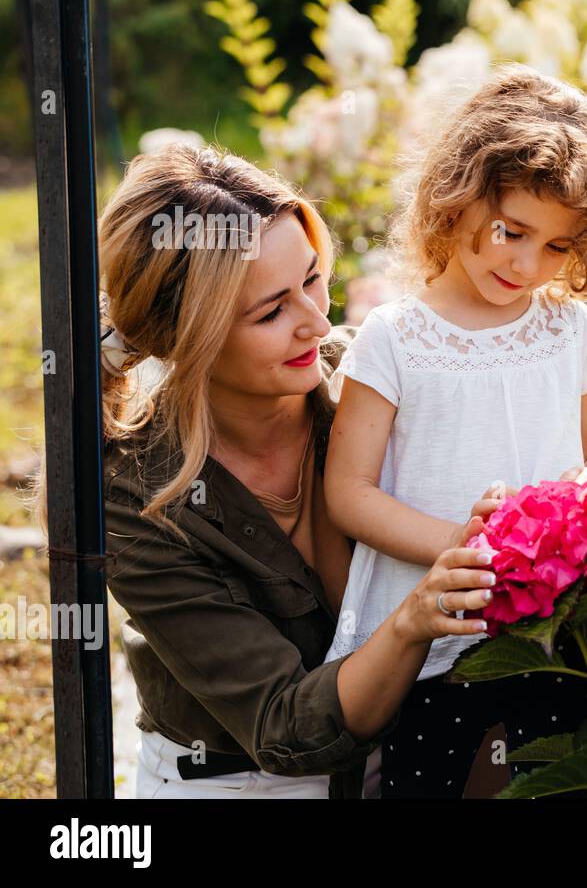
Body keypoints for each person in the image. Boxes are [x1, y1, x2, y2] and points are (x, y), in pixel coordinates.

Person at [70, 144, 507, 797]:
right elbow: (282, 727)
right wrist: (413, 620)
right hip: (234, 781)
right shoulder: (137, 494)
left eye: (312, 278)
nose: (316, 321)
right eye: (271, 312)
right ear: (191, 341)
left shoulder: (365, 385)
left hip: (395, 759)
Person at [322, 62, 587, 797]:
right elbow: (348, 492)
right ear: (457, 197)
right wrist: (462, 548)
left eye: (558, 247)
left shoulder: (568, 329)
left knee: (553, 779)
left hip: (556, 631)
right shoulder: (396, 338)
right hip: (435, 635)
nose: (528, 264)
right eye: (512, 231)